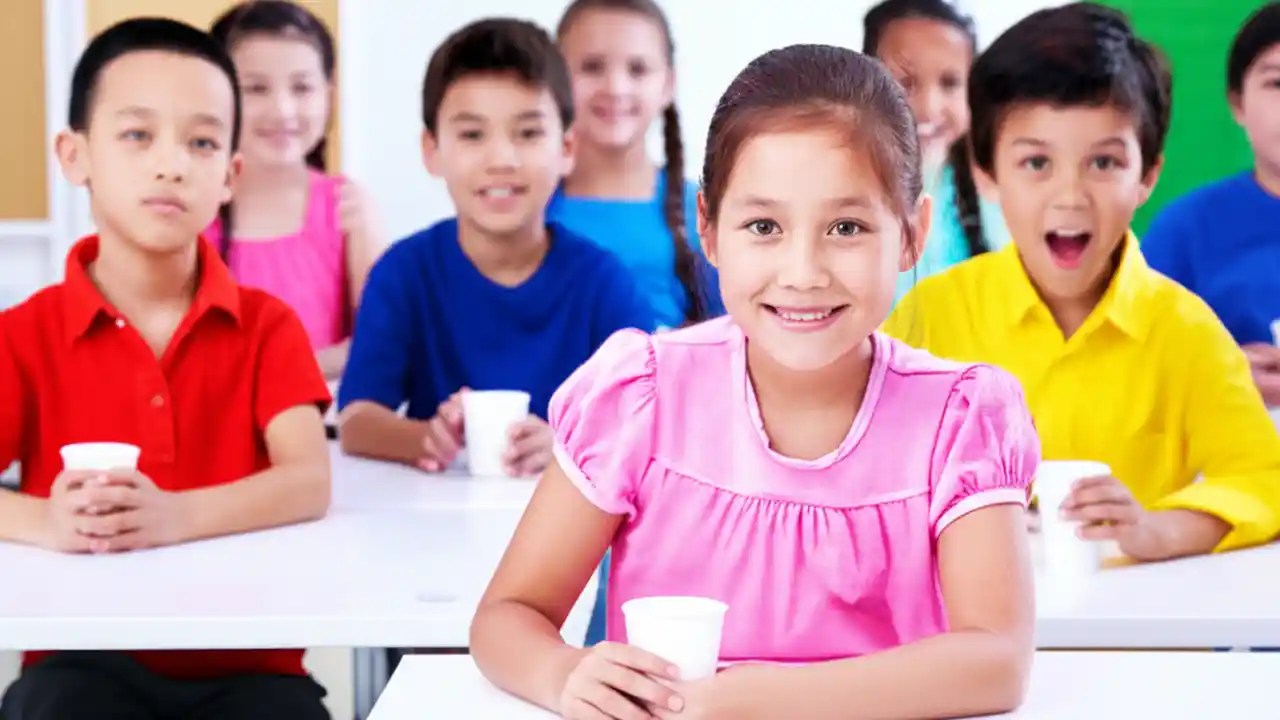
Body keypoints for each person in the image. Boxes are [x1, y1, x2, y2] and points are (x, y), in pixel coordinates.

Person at [471, 44, 1038, 719]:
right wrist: (562, 671)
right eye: (763, 226)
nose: (802, 271)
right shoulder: (642, 396)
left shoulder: (958, 419)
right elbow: (508, 616)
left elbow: (996, 661)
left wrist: (756, 701)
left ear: (912, 234)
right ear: (708, 229)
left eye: (847, 227)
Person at [0, 18, 331, 720]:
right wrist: (47, 521)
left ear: (230, 175)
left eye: (202, 142)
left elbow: (307, 479)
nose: (171, 164)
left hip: (252, 664)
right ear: (74, 155)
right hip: (77, 660)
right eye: (137, 135)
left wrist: (172, 517)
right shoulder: (22, 334)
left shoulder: (269, 325)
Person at [885, 3, 1280, 561]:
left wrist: (1154, 530)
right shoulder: (931, 317)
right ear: (986, 173)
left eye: (1103, 163)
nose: (1070, 196)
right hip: (966, 632)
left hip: (1134, 635)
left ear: (1147, 175)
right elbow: (866, 470)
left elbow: (1265, 478)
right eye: (1036, 163)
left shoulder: (1186, 330)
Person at [337, 19, 654, 476]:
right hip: (437, 525)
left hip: (570, 528)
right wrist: (424, 438)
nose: (501, 159)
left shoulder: (602, 282)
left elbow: (648, 416)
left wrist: (570, 444)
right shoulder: (404, 273)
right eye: (471, 135)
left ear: (566, 147)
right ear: (431, 150)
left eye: (527, 133)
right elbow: (356, 420)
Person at [205, 0, 380, 381]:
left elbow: (381, 343)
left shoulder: (346, 207)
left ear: (328, 94)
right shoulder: (193, 210)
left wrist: (280, 379)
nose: (282, 109)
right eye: (256, 88)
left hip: (320, 433)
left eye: (302, 87)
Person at [550, 0, 724, 331]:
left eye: (638, 69)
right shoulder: (527, 210)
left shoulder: (706, 213)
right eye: (592, 67)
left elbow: (736, 341)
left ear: (668, 84)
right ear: (555, 78)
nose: (615, 87)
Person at [1142, 2, 1280, 406]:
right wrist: (1217, 373)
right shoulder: (1185, 229)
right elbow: (1133, 361)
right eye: (1277, 84)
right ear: (1237, 103)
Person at [863, 0, 1009, 302]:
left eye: (950, 83)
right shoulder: (834, 185)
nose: (929, 107)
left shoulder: (996, 194)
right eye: (905, 82)